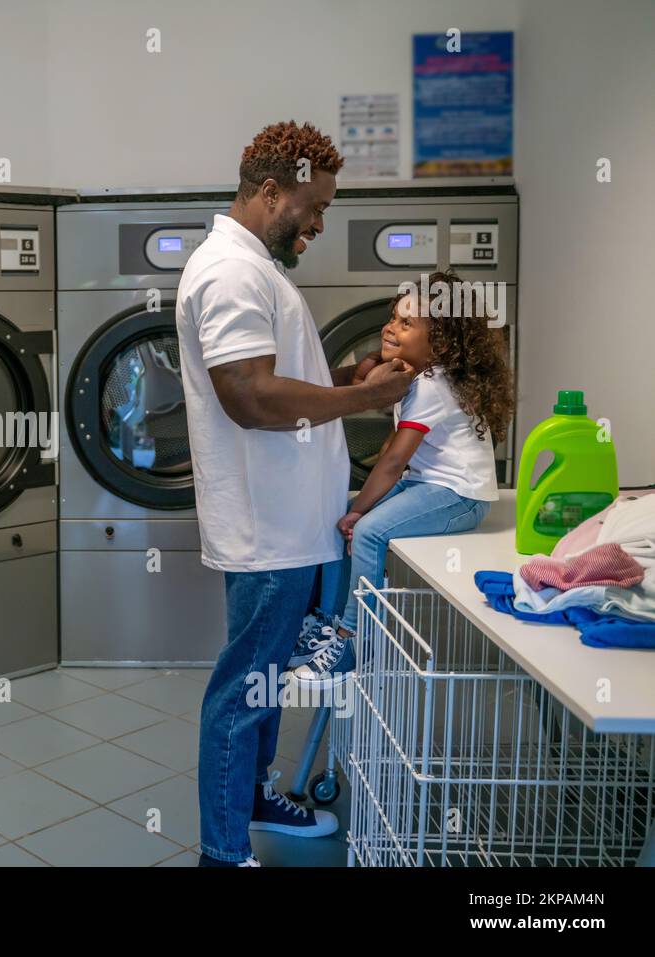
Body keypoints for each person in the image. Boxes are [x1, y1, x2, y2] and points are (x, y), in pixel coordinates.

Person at [177, 120, 414, 867]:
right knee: (243, 688)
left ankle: (251, 797)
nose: (318, 224)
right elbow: (250, 397)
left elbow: (281, 384)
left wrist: (347, 381)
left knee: (267, 683)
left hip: (288, 524)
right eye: (313, 208)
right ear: (271, 190)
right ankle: (224, 851)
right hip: (266, 528)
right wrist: (366, 403)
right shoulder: (230, 271)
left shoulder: (259, 270)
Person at [288, 270, 514, 687]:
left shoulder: (431, 386)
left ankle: (351, 641)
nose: (391, 326)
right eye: (393, 317)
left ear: (441, 341)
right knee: (343, 517)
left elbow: (393, 461)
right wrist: (353, 509)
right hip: (430, 484)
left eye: (407, 323)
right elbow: (396, 451)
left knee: (369, 530)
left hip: (459, 496)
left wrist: (360, 512)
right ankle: (325, 623)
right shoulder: (414, 379)